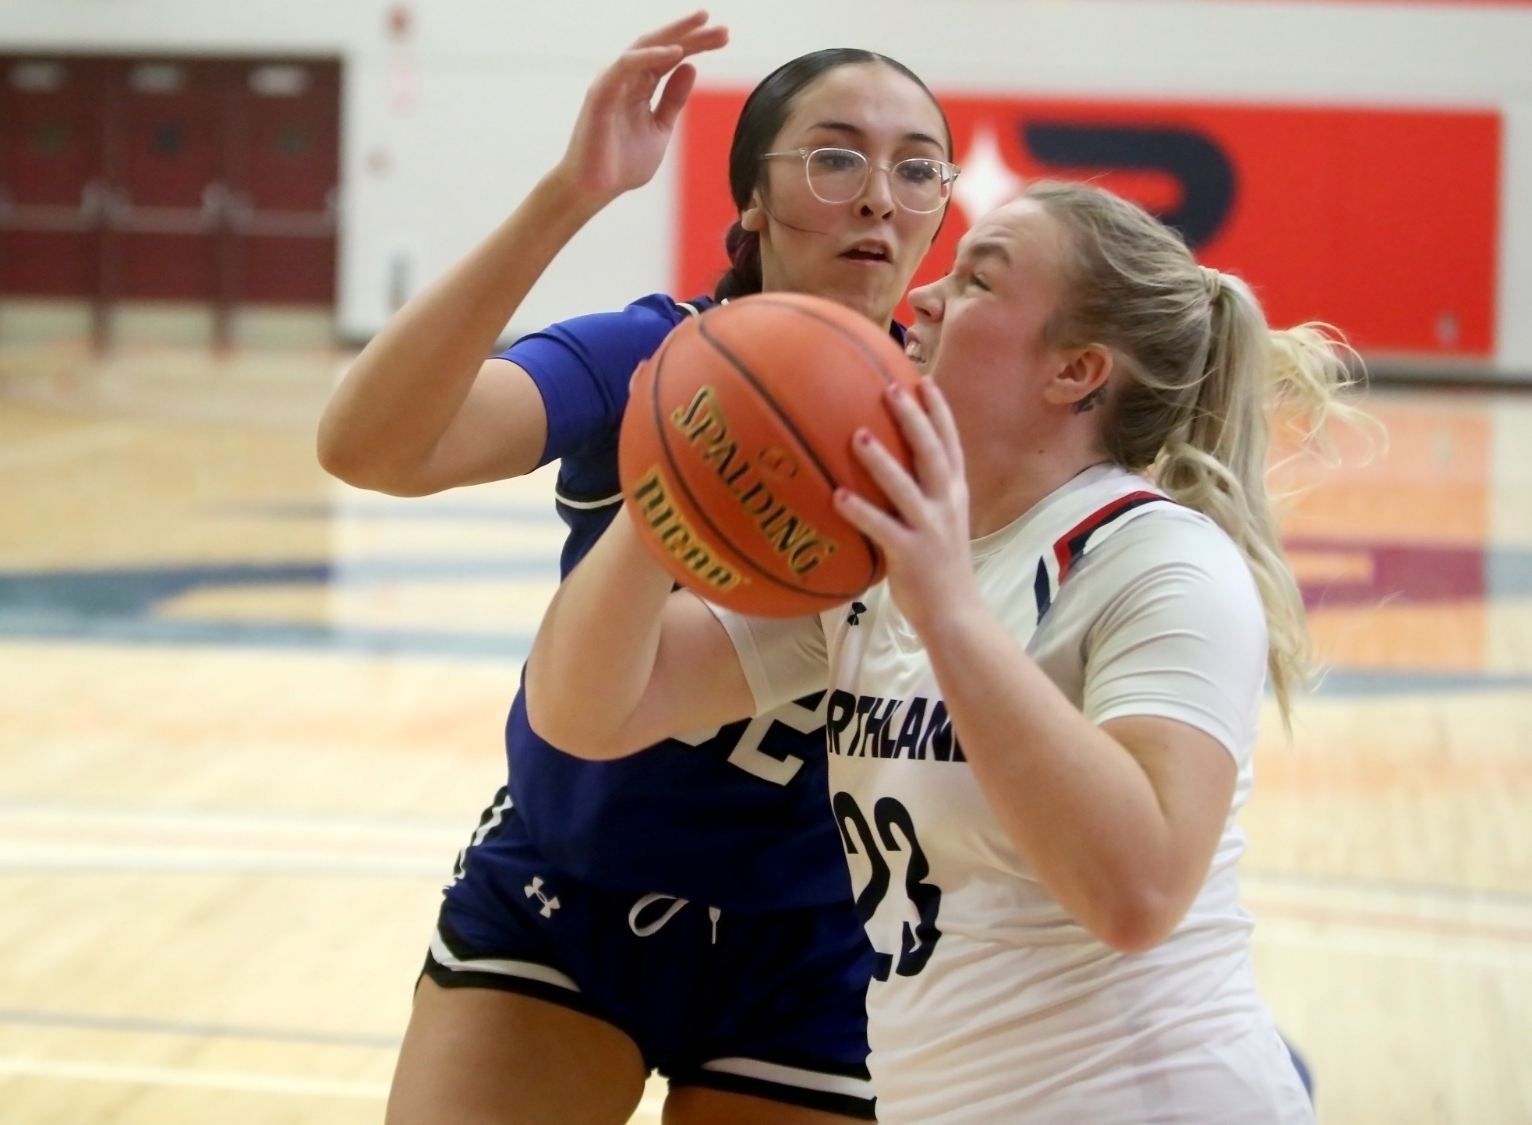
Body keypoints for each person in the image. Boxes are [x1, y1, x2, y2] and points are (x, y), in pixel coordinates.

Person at [525, 179, 1362, 1123]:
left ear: (1076, 370)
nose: (923, 295)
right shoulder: (886, 555)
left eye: (977, 284)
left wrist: (950, 613)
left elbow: (1139, 890)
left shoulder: (1162, 561)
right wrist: (660, 488)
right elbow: (589, 712)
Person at [320, 13, 961, 1122]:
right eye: (835, 155)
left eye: (915, 169)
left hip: (817, 934)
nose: (877, 197)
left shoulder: (949, 430)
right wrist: (570, 194)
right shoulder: (645, 356)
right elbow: (372, 447)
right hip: (564, 885)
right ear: (749, 200)